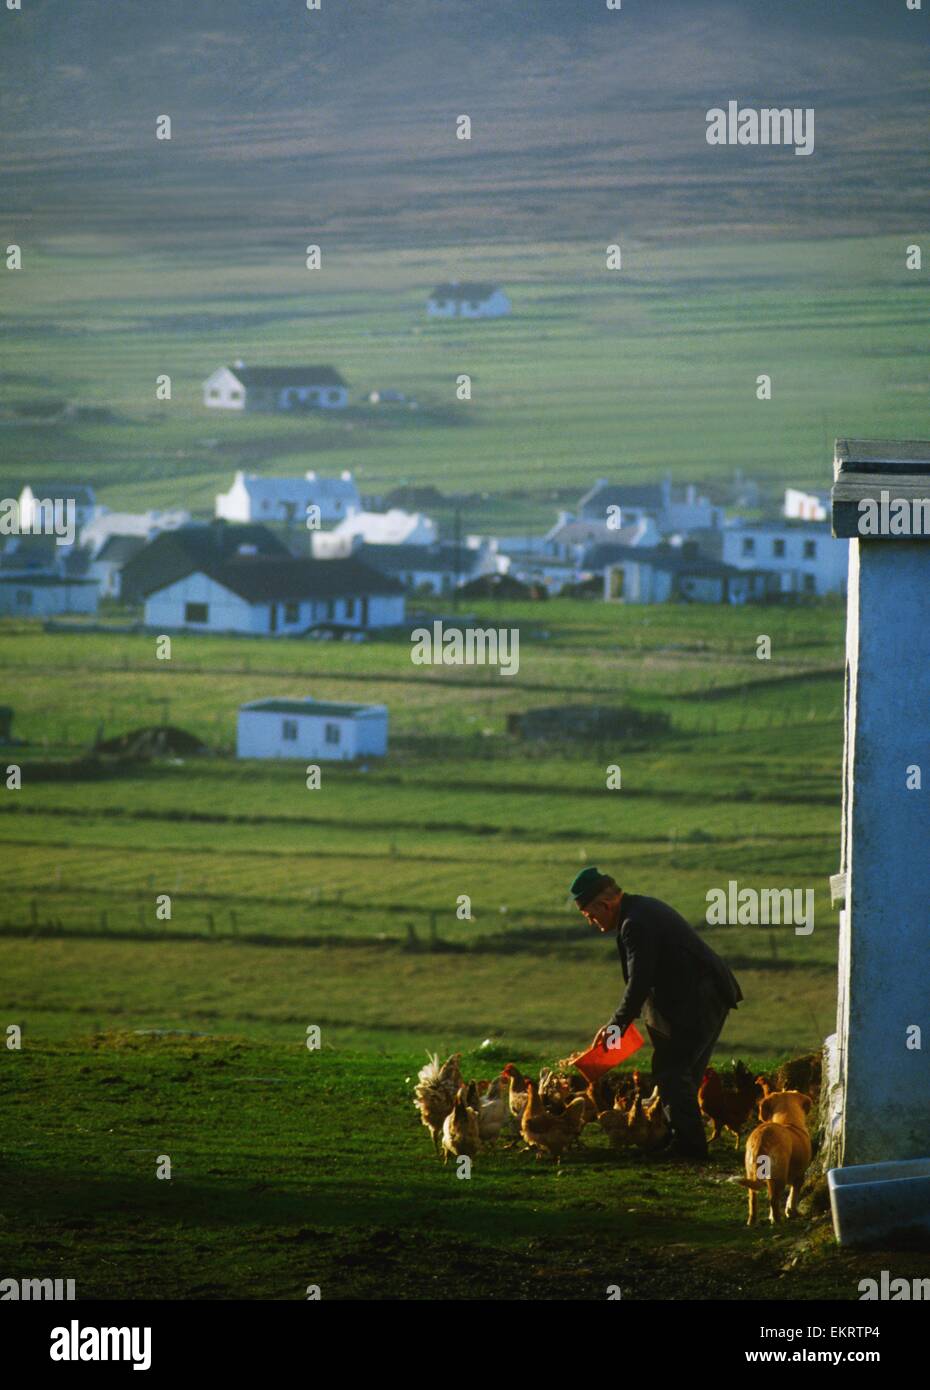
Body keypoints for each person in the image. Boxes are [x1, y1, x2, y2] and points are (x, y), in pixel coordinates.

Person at [570, 865, 743, 1160]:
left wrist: (616, 1026)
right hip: (708, 995)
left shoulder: (634, 923)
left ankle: (689, 1148)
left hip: (699, 1000)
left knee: (671, 1070)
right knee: (683, 1072)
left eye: (590, 915)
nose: (592, 922)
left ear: (604, 904)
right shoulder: (640, 910)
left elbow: (639, 982)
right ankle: (679, 1139)